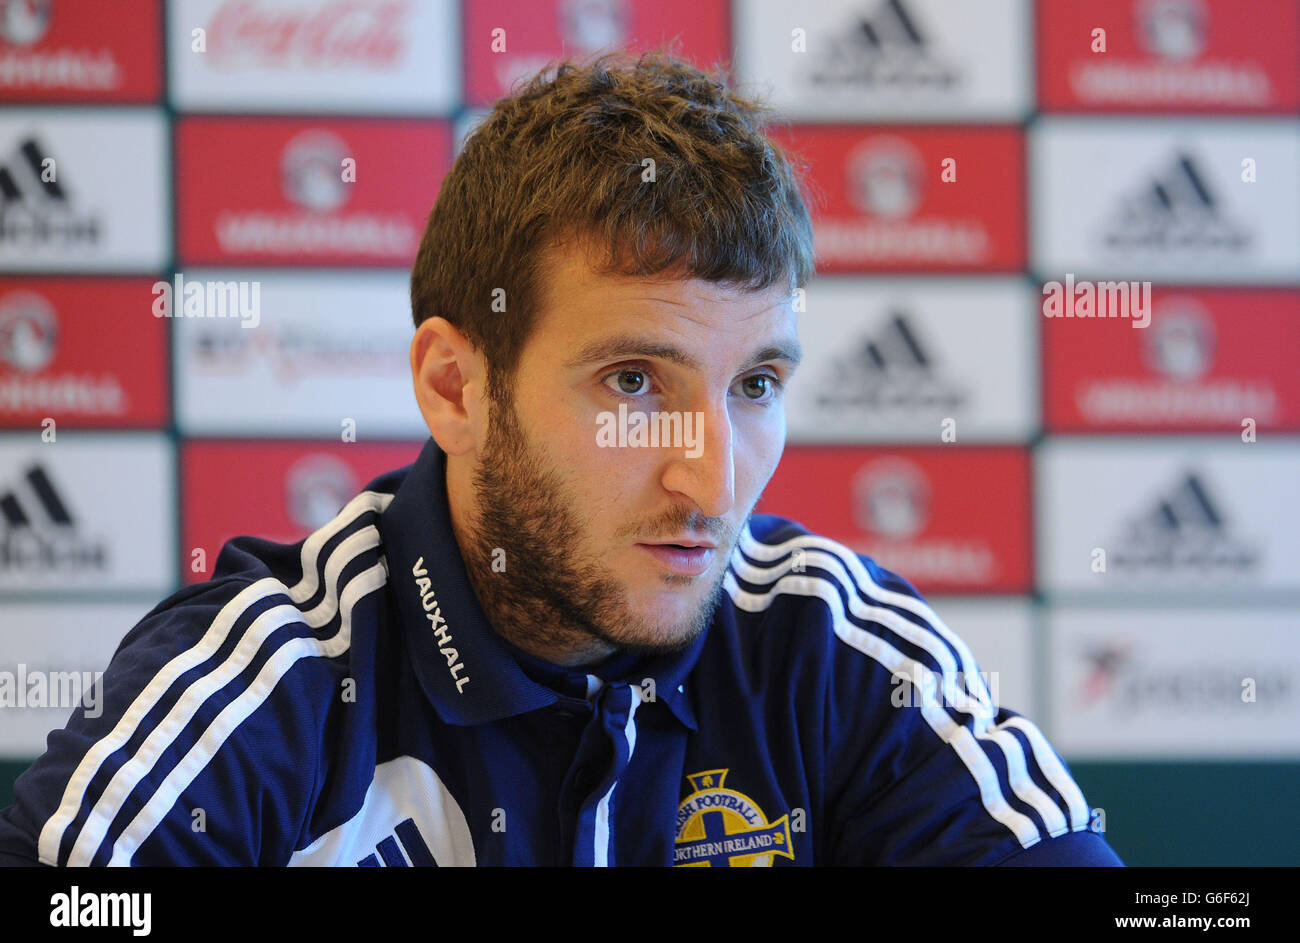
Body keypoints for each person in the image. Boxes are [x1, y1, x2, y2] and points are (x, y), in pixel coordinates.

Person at [0, 50, 1121, 866]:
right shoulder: (271, 679)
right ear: (455, 386)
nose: (711, 478)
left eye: (755, 387)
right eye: (632, 381)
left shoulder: (826, 645)